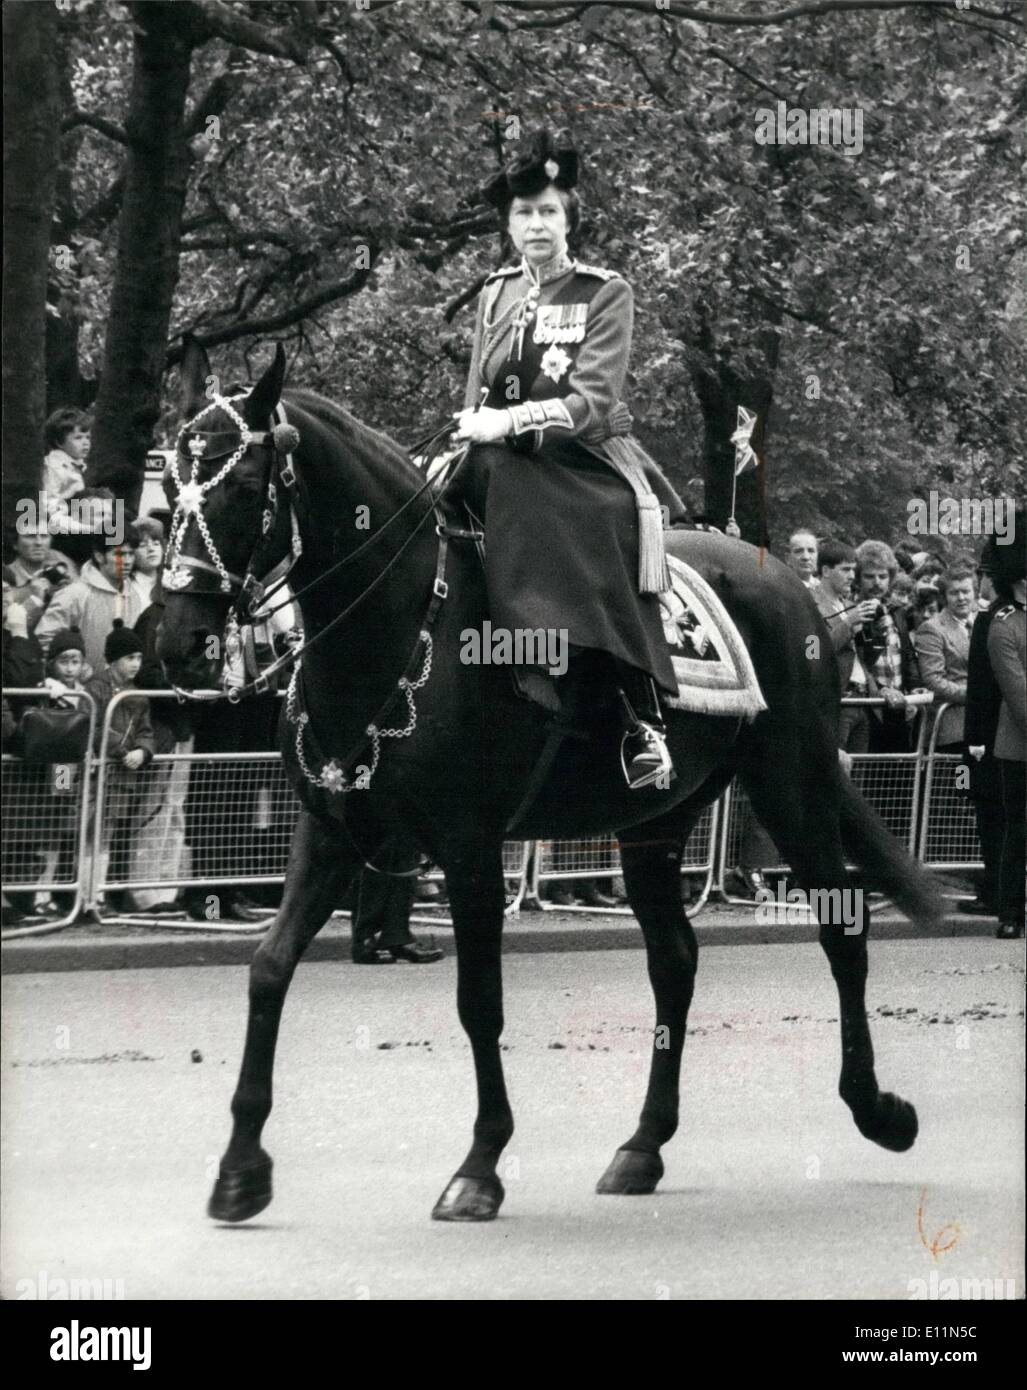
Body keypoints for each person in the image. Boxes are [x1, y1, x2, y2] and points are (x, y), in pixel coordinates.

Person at [453, 128, 686, 790]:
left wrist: (512, 421)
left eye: (547, 212)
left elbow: (592, 398)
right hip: (494, 450)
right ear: (507, 222)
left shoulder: (602, 291)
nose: (534, 224)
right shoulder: (494, 292)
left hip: (584, 457)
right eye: (523, 212)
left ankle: (638, 717)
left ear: (568, 221)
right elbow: (478, 387)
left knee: (583, 520)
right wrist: (469, 431)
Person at [85, 621, 155, 915]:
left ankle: (98, 895)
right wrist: (122, 748)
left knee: (108, 833)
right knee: (87, 832)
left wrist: (143, 751)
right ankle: (82, 895)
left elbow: (146, 731)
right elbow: (92, 726)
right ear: (113, 659)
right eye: (129, 658)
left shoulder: (138, 695)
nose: (136, 664)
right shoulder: (94, 689)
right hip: (95, 773)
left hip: (121, 777)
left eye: (139, 658)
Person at [986, 525, 1025, 940]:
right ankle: (1010, 912)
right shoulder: (1004, 624)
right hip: (1019, 747)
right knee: (1019, 833)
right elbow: (1019, 698)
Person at [962, 540, 1005, 917]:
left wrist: (973, 740)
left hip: (991, 736)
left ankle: (996, 891)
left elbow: (979, 688)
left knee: (992, 816)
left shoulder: (988, 621)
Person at [36, 530, 144, 675]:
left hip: (120, 692)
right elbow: (44, 641)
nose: (128, 561)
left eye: (131, 554)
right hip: (79, 692)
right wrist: (78, 671)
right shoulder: (74, 594)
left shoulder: (135, 596)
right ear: (99, 556)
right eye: (119, 554)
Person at [853, 540, 921, 753]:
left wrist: (915, 685)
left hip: (900, 701)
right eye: (869, 576)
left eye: (882, 576)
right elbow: (859, 660)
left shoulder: (896, 610)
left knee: (898, 773)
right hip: (870, 703)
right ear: (858, 577)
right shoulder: (852, 611)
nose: (877, 583)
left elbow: (907, 653)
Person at [814, 539, 880, 753]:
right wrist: (848, 623)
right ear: (825, 570)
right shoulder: (808, 604)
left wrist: (875, 634)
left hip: (863, 700)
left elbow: (863, 659)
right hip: (836, 702)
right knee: (834, 772)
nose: (852, 576)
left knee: (858, 775)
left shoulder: (850, 605)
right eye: (845, 570)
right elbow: (812, 653)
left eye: (853, 570)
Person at [913, 561, 976, 752]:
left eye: (966, 591)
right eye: (954, 592)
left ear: (975, 592)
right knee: (955, 781)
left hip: (988, 724)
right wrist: (975, 695)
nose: (961, 597)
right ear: (944, 597)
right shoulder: (932, 628)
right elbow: (933, 679)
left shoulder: (985, 622)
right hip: (952, 727)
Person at [42, 409, 90, 510]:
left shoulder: (79, 464)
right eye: (78, 438)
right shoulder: (53, 466)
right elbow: (50, 501)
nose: (85, 442)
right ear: (59, 441)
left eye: (88, 437)